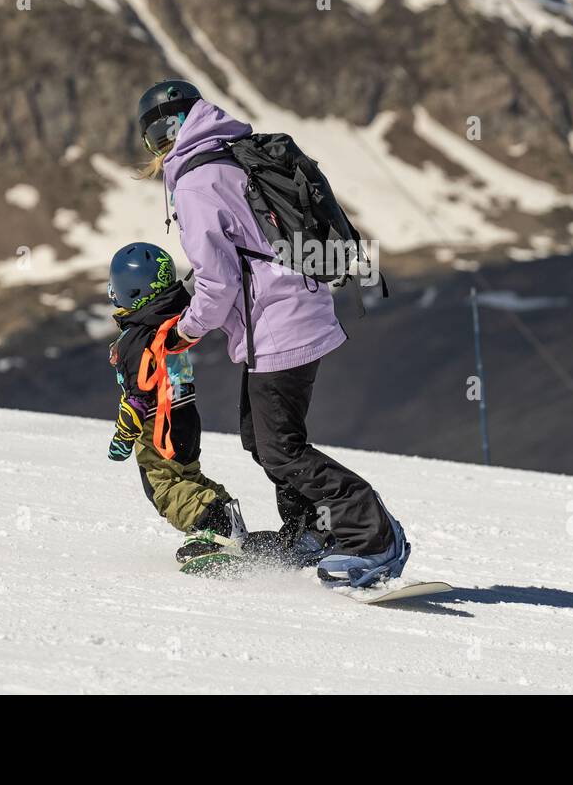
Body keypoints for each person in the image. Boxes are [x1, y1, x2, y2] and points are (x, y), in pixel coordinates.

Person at [135, 79, 410, 587]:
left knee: (280, 446)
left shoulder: (197, 183)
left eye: (155, 135)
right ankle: (310, 530)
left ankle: (373, 537)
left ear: (169, 129)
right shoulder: (233, 155)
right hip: (298, 313)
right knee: (261, 439)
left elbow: (216, 286)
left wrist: (184, 333)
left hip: (279, 327)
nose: (155, 149)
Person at [106, 241, 247, 564]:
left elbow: (139, 395)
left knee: (163, 487)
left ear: (131, 291)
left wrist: (124, 438)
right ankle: (224, 516)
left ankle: (212, 523)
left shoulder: (136, 338)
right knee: (185, 473)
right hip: (185, 415)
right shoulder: (173, 320)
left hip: (158, 424)